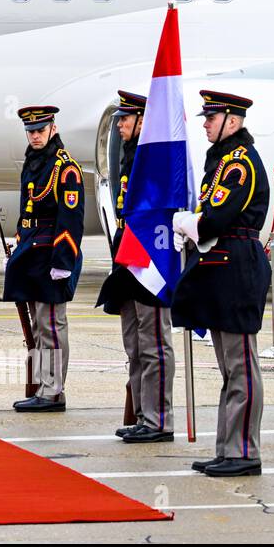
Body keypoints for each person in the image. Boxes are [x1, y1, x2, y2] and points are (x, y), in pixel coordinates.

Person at [172, 90, 270, 477]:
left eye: (212, 117)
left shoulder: (239, 164)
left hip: (238, 271)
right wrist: (193, 225)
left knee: (242, 366)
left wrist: (191, 224)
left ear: (234, 120)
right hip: (222, 270)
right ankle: (230, 449)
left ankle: (245, 451)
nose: (205, 123)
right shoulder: (222, 161)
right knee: (231, 368)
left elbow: (217, 217)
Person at [96, 90, 175, 443]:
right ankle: (144, 415)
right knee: (134, 344)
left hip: (151, 263)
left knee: (154, 344)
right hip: (129, 259)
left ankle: (159, 419)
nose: (120, 126)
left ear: (143, 121)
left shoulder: (154, 161)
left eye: (125, 120)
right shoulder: (130, 158)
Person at [2, 106, 84, 412]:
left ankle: (53, 391)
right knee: (38, 326)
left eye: (40, 130)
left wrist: (64, 261)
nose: (35, 136)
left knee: (51, 325)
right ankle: (41, 385)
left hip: (52, 255)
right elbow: (28, 210)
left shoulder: (65, 168)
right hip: (33, 254)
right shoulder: (32, 163)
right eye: (31, 131)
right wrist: (20, 238)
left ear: (53, 127)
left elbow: (71, 220)